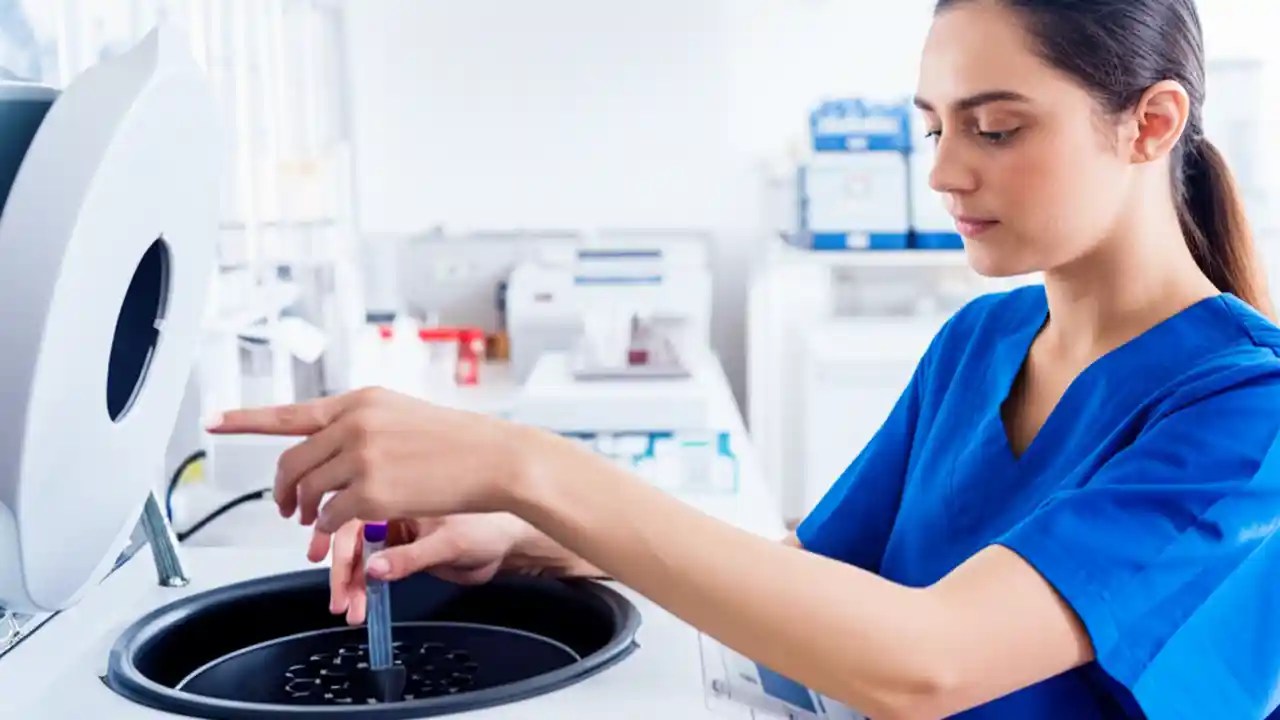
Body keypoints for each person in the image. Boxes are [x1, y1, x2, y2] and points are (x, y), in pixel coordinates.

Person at [208, 0, 1280, 717]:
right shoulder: (984, 342)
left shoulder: (1243, 410)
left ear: (1149, 123)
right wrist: (530, 536)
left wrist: (523, 463)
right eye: (930, 129)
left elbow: (926, 662)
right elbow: (803, 575)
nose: (944, 172)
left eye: (993, 128)